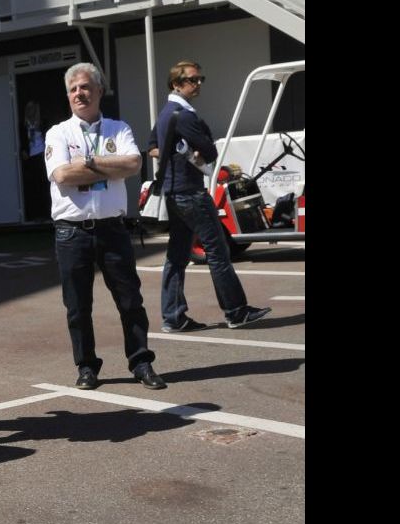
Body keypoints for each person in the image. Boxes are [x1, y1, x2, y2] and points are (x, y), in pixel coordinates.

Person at [44, 63, 166, 391]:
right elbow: (62, 176)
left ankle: (141, 362)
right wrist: (109, 169)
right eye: (73, 90)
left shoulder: (118, 128)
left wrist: (90, 163)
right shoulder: (58, 133)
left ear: (99, 91)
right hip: (72, 231)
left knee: (130, 300)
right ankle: (86, 367)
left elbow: (133, 163)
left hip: (112, 228)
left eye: (85, 87)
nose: (79, 94)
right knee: (78, 306)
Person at [153, 61, 273, 332]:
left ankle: (173, 317)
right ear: (176, 84)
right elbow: (210, 149)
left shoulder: (166, 114)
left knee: (176, 256)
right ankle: (236, 311)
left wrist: (179, 151)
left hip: (174, 192)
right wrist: (197, 148)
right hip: (191, 192)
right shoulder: (184, 115)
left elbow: (153, 146)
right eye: (192, 80)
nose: (197, 85)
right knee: (218, 251)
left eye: (200, 79)